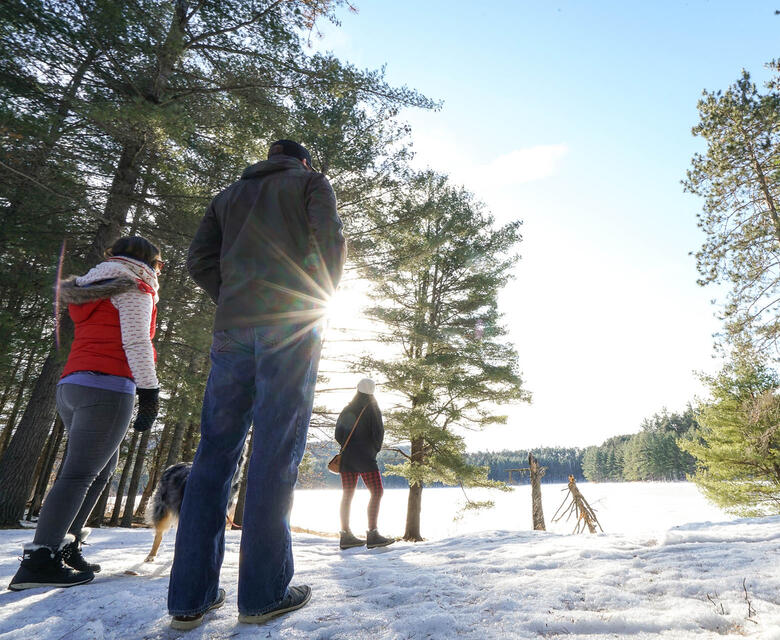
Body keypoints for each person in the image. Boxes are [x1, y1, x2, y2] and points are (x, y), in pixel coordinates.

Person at [167, 139, 345, 630]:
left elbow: (198, 261)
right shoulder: (311, 182)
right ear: (302, 160)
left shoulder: (227, 196)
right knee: (275, 448)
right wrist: (318, 300)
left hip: (232, 329)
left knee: (213, 454)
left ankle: (189, 600)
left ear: (267, 159)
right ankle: (264, 595)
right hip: (290, 322)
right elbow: (330, 242)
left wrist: (232, 299)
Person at [8, 236, 162, 591]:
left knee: (102, 469)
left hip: (72, 385)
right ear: (150, 263)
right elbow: (137, 341)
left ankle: (67, 544)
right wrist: (150, 392)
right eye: (159, 264)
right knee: (79, 475)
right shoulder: (134, 287)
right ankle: (40, 560)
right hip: (107, 387)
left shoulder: (92, 287)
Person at [335, 378, 394, 550]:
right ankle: (373, 534)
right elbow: (378, 434)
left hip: (347, 458)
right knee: (377, 492)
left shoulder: (348, 408)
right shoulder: (373, 408)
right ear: (372, 391)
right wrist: (373, 450)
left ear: (358, 389)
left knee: (347, 495)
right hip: (366, 459)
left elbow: (338, 435)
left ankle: (346, 535)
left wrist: (349, 447)